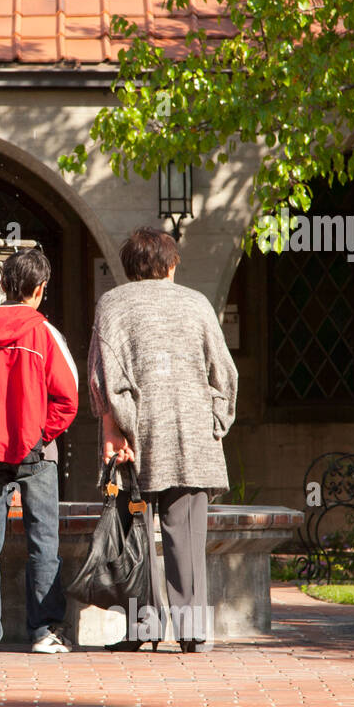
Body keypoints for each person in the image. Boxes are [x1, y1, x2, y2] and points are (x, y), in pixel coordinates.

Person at [86, 227, 238, 650]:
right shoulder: (197, 303)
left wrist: (114, 426)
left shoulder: (112, 303)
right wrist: (215, 423)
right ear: (171, 263)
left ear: (130, 267)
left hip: (133, 436)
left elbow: (101, 377)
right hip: (192, 438)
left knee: (134, 538)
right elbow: (225, 373)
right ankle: (193, 633)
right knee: (186, 538)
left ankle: (143, 630)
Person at [0, 247, 80, 653]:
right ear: (40, 290)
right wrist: (42, 435)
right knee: (44, 542)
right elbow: (68, 397)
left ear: (2, 285)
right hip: (36, 455)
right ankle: (42, 632)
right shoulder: (45, 334)